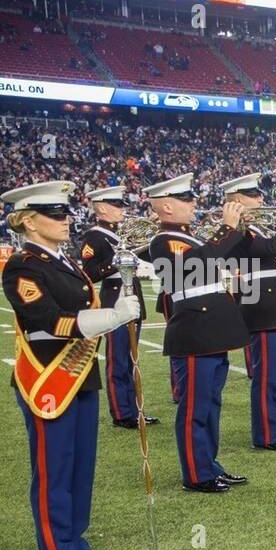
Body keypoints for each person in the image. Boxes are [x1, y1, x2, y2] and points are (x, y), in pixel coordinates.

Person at [4, 180, 140, 550]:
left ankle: (76, 540)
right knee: (54, 466)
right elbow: (45, 320)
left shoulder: (64, 262)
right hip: (50, 375)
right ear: (29, 221)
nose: (67, 220)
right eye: (56, 214)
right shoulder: (23, 266)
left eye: (66, 212)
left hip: (81, 374)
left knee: (81, 464)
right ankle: (56, 549)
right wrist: (110, 317)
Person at [145, 172, 249, 493]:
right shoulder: (163, 240)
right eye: (186, 199)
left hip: (212, 328)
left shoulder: (191, 237)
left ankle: (210, 465)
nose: (194, 203)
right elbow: (196, 266)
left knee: (211, 403)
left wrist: (236, 228)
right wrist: (227, 228)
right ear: (165, 207)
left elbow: (226, 254)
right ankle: (196, 473)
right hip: (194, 329)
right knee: (194, 407)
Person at [221, 173, 276, 451]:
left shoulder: (255, 229)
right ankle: (266, 434)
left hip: (273, 308)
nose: (261, 199)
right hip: (262, 309)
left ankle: (273, 431)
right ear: (237, 200)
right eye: (253, 195)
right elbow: (274, 248)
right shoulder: (239, 231)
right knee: (267, 376)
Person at [78, 184, 158, 430]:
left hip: (132, 296)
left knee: (132, 360)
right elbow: (89, 273)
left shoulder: (121, 234)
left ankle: (135, 410)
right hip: (114, 299)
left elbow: (150, 257)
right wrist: (120, 257)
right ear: (101, 208)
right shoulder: (95, 236)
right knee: (118, 360)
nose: (121, 209)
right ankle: (122, 412)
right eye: (116, 205)